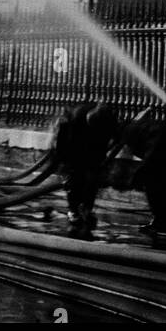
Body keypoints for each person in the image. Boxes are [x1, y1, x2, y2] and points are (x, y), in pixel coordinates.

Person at [51, 101, 118, 238]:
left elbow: (111, 139)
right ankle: (74, 210)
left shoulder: (108, 119)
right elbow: (64, 143)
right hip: (75, 146)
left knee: (92, 179)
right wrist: (64, 162)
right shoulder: (75, 118)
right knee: (75, 177)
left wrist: (102, 158)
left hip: (94, 147)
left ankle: (87, 208)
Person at [122, 112, 166, 235]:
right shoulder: (142, 127)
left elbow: (153, 150)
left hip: (165, 150)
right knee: (162, 185)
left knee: (154, 186)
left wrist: (139, 174)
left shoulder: (130, 133)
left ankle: (162, 222)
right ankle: (162, 220)